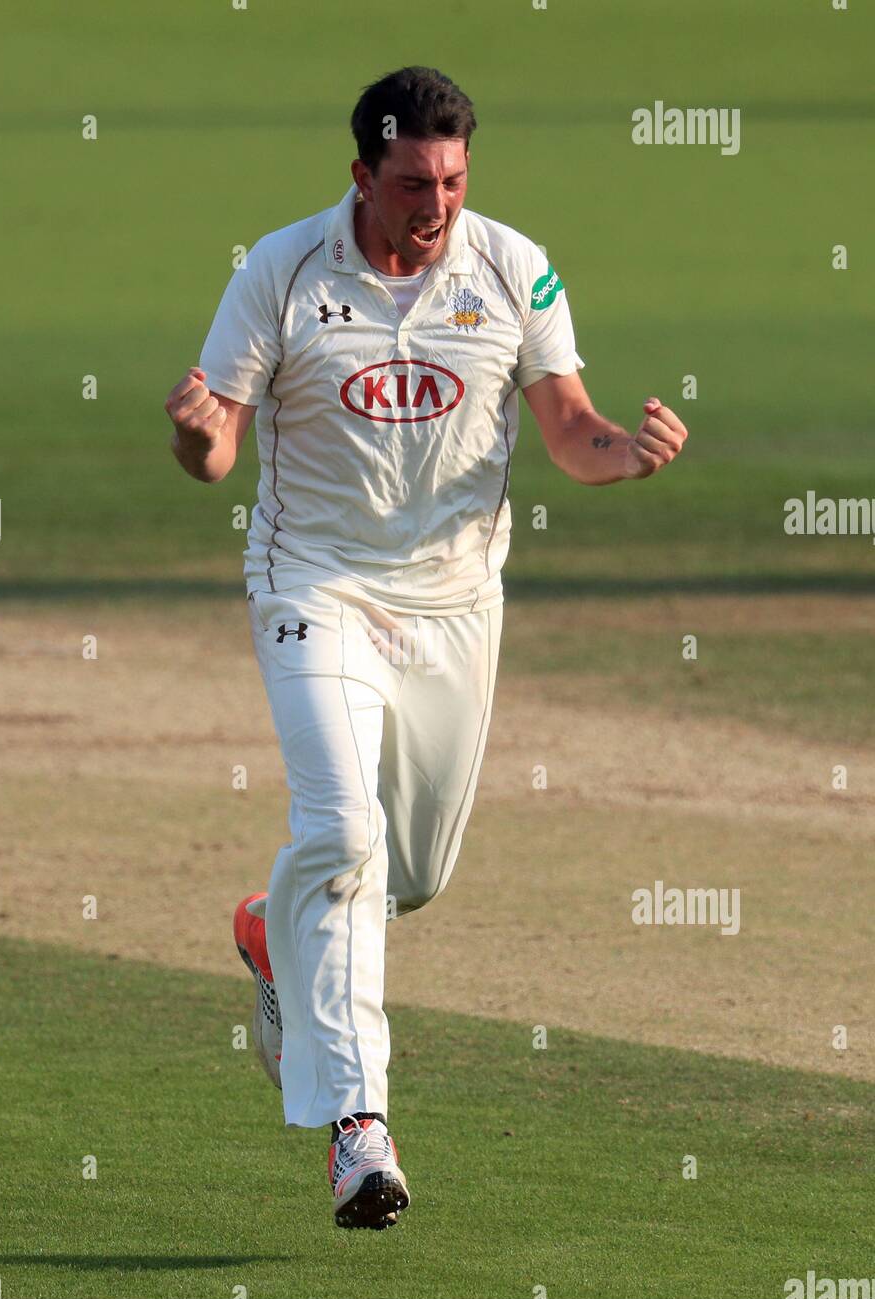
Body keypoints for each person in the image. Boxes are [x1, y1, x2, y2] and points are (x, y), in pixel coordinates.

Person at [164, 66, 688, 1230]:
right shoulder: (282, 271)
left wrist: (627, 453)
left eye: (451, 179)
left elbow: (570, 430)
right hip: (315, 585)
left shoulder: (510, 266)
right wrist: (198, 441)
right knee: (342, 830)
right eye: (411, 182)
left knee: (409, 876)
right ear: (360, 175)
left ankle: (271, 933)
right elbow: (218, 447)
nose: (434, 203)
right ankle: (360, 1133)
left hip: (455, 604)